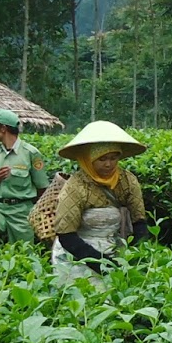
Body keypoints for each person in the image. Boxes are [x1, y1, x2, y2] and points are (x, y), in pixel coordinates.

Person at [50, 120, 149, 285]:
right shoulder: (76, 186)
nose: (109, 164)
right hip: (77, 255)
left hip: (112, 249)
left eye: (113, 157)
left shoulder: (127, 181)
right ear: (89, 159)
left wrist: (134, 255)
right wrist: (101, 264)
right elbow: (67, 236)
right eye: (102, 159)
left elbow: (139, 221)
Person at [0, 108, 50, 256]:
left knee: (25, 255)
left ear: (3, 128)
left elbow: (42, 188)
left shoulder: (31, 154)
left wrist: (38, 215)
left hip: (22, 211)